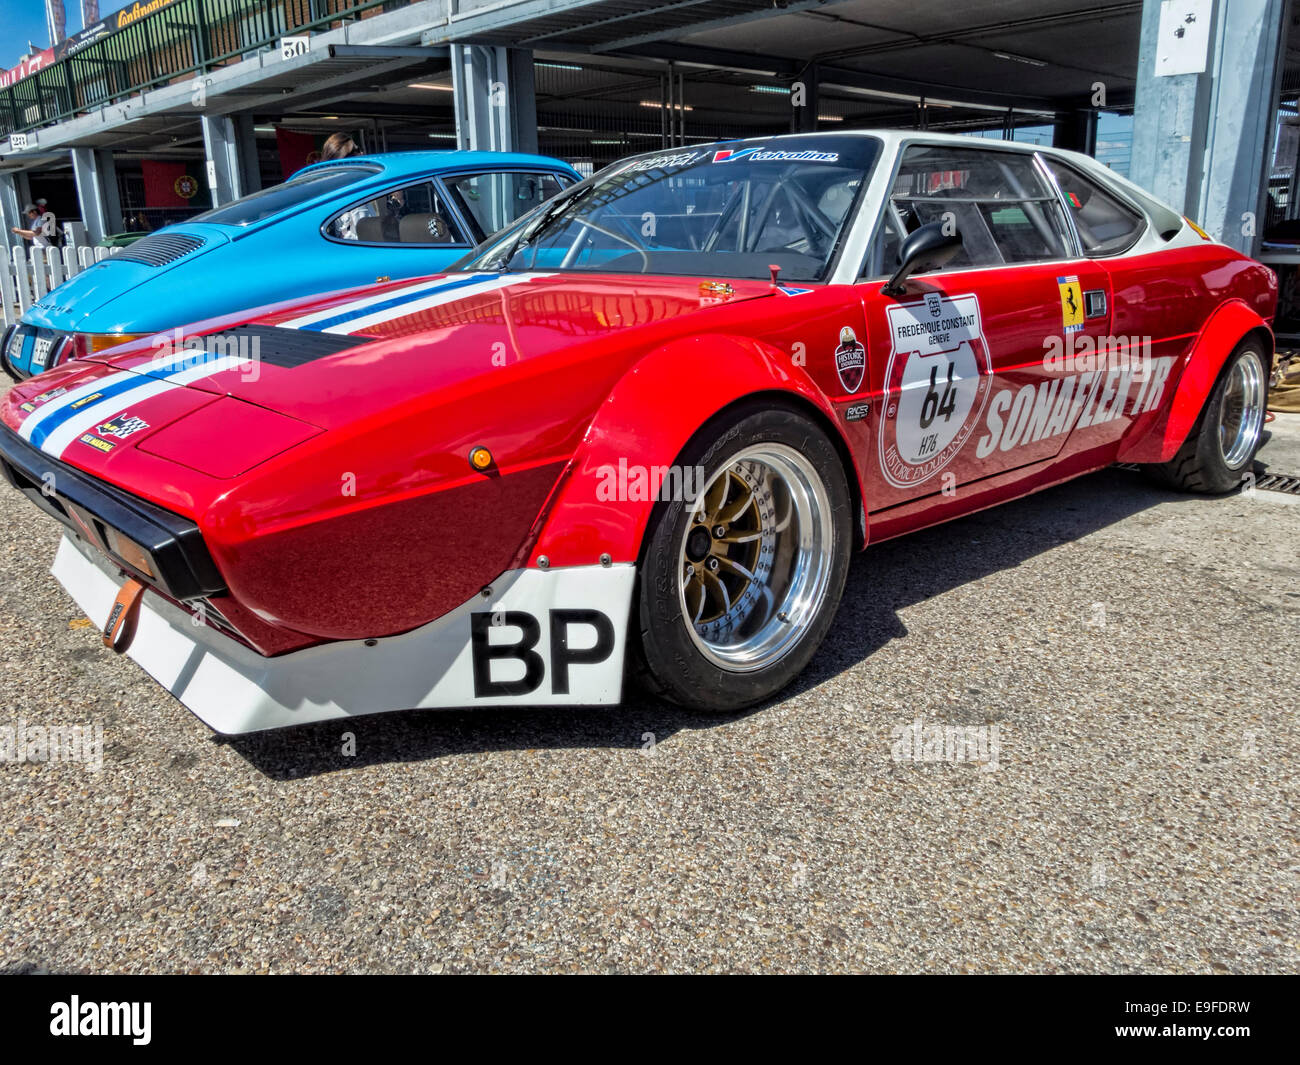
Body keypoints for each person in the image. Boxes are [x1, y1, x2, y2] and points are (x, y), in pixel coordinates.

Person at [322, 132, 375, 240]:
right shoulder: (352, 195)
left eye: (358, 148)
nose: (361, 153)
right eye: (354, 151)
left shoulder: (365, 185)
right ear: (341, 160)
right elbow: (368, 236)